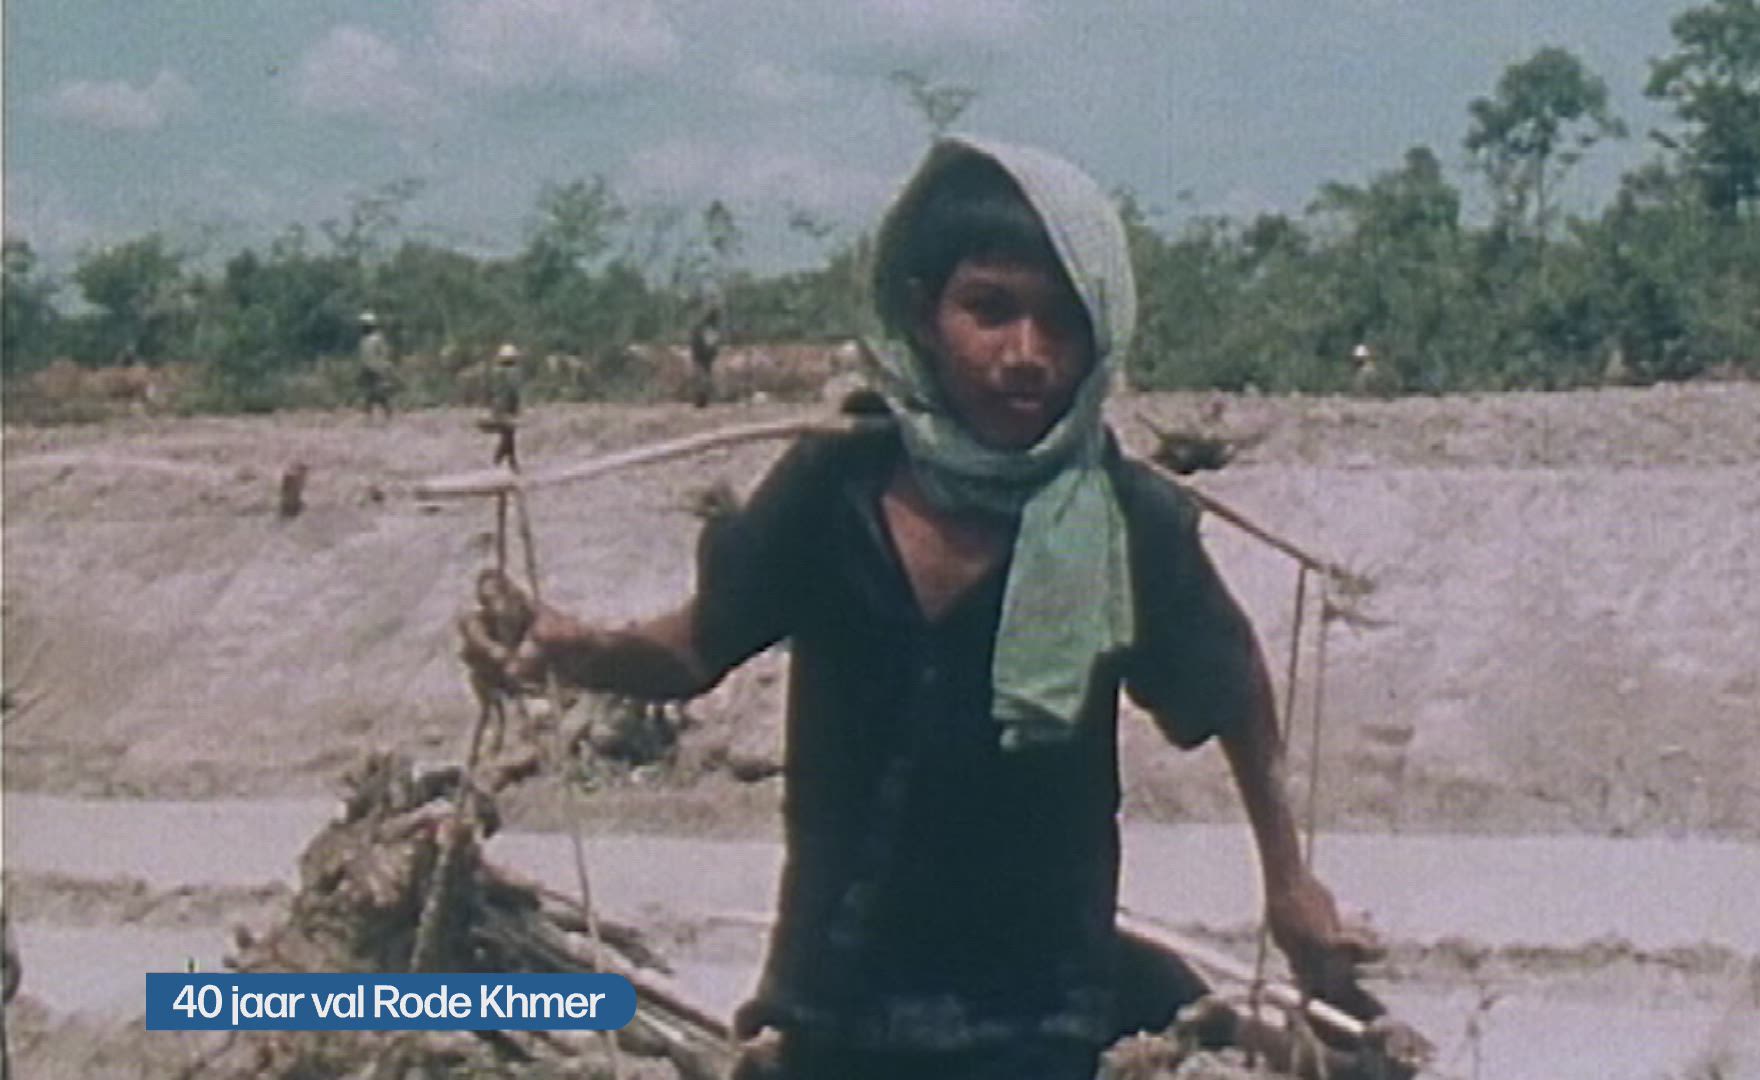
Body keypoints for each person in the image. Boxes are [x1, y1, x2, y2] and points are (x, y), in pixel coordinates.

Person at [461, 136, 1384, 1079]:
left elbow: (1230, 687)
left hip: (1039, 1017)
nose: (1026, 355)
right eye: (989, 310)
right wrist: (565, 644)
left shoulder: (1121, 520)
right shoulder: (834, 486)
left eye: (1061, 323)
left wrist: (1290, 884)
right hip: (834, 1000)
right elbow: (692, 649)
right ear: (922, 312)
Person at [480, 343, 524, 470]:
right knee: (508, 435)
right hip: (506, 408)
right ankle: (501, 462)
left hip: (497, 407)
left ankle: (509, 462)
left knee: (508, 435)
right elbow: (513, 392)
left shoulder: (496, 372)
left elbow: (489, 391)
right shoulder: (512, 373)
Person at [355, 311, 397, 418]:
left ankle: (387, 413)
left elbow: (384, 353)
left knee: (379, 394)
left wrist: (384, 368)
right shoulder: (363, 340)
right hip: (367, 370)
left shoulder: (378, 338)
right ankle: (369, 415)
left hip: (377, 370)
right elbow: (363, 357)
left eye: (364, 324)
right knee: (369, 394)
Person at [690, 304, 723, 408]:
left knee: (701, 378)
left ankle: (701, 400)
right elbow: (710, 344)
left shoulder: (701, 327)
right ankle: (701, 401)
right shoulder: (708, 328)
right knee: (704, 379)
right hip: (703, 357)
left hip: (701, 357)